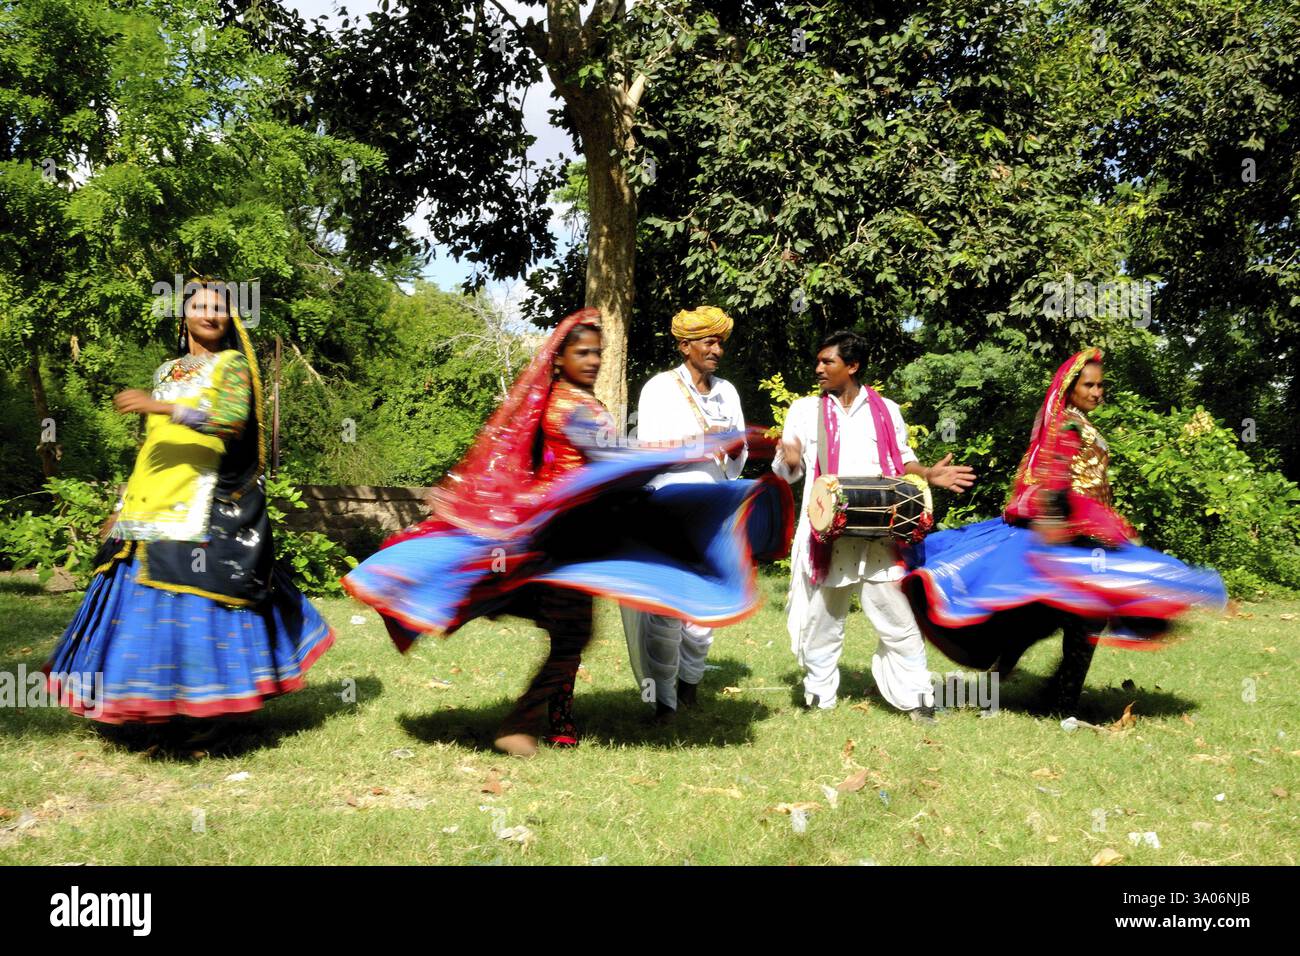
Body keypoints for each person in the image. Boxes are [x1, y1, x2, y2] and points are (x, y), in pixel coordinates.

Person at [343, 309, 792, 757]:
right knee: (573, 633)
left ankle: (555, 721)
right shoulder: (566, 405)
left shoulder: (581, 399)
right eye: (583, 353)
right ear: (559, 359)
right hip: (557, 537)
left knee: (569, 633)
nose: (593, 360)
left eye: (597, 352)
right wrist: (697, 446)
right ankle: (524, 723)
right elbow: (609, 455)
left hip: (578, 534)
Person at [44, 280, 335, 724]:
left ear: (230, 317)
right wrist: (124, 503)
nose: (210, 314)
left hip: (204, 497)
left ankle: (205, 712)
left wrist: (161, 407)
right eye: (199, 306)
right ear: (184, 315)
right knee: (135, 594)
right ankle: (147, 704)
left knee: (197, 592)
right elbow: (153, 444)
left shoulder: (231, 365)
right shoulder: (166, 371)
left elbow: (231, 423)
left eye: (219, 308)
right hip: (152, 496)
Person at [901, 347, 1228, 713]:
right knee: (1073, 618)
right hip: (1069, 537)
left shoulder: (1078, 423)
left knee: (1042, 617)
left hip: (1083, 536)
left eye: (1101, 386)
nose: (1096, 392)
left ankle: (1029, 689)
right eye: (1088, 385)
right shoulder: (1067, 425)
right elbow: (1055, 478)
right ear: (1070, 388)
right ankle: (1058, 700)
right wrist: (1064, 525)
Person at [773, 330, 976, 720]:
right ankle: (819, 697)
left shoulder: (887, 410)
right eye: (818, 361)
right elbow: (789, 471)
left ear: (852, 366)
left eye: (827, 362)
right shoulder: (803, 410)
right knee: (822, 618)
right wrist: (793, 458)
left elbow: (903, 461)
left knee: (896, 615)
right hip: (825, 532)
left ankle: (917, 696)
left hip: (880, 535)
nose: (818, 369)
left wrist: (929, 474)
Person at [621, 305, 747, 719]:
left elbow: (738, 450)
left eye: (720, 342)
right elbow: (651, 452)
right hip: (668, 506)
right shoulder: (659, 388)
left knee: (702, 611)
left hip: (714, 509)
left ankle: (691, 685)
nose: (717, 350)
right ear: (685, 345)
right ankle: (663, 702)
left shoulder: (727, 391)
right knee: (666, 612)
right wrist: (702, 442)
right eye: (709, 341)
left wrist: (735, 447)